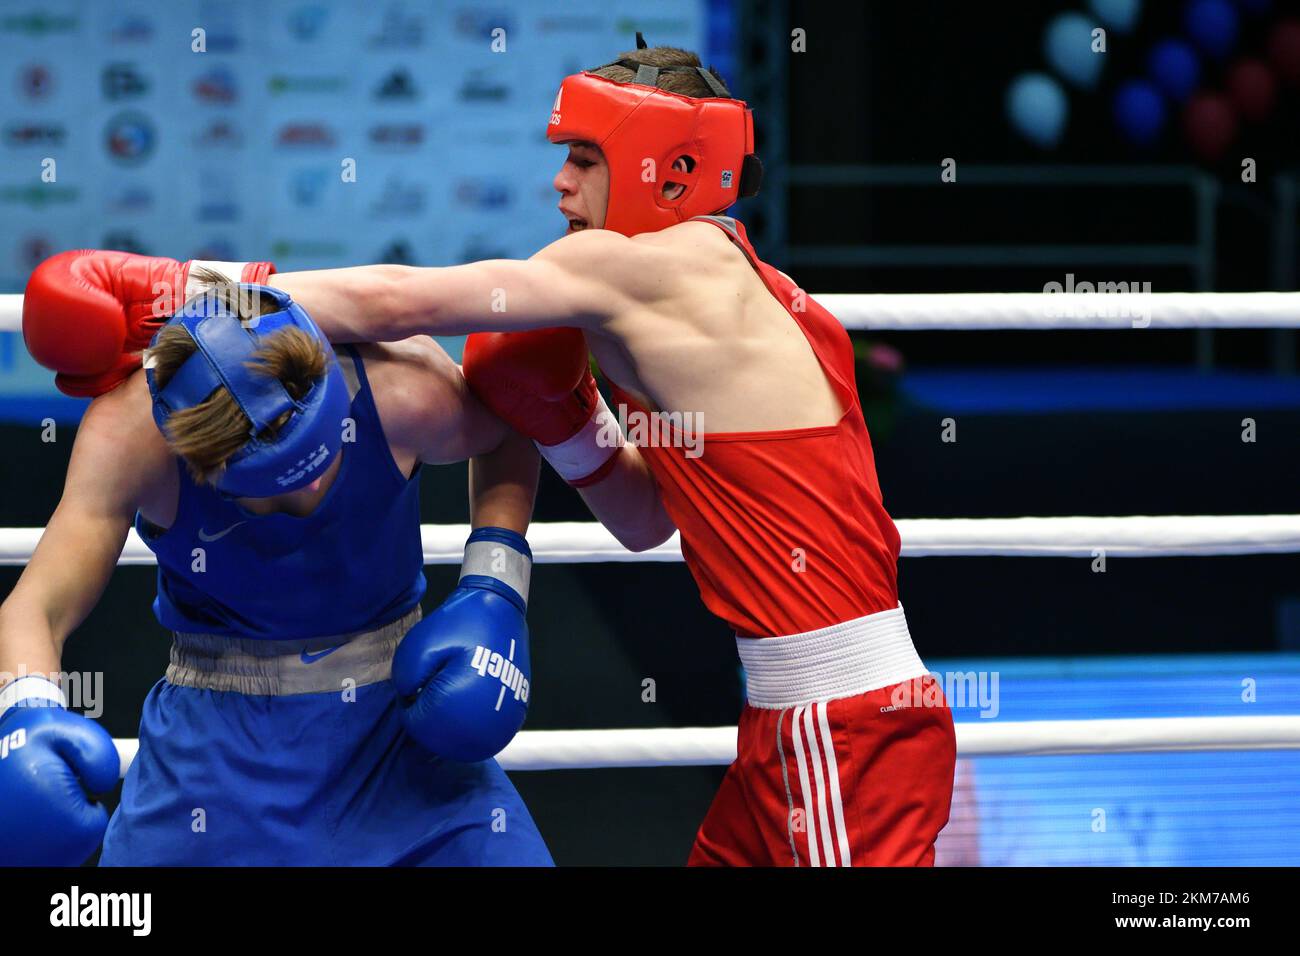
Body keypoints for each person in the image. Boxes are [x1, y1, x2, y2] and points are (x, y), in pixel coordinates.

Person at [2, 259, 551, 866]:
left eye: (320, 463)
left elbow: (508, 434)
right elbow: (37, 604)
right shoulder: (133, 437)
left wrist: (494, 586)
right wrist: (26, 712)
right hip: (212, 758)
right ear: (198, 458)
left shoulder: (400, 390)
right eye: (270, 489)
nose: (309, 493)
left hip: (401, 736)